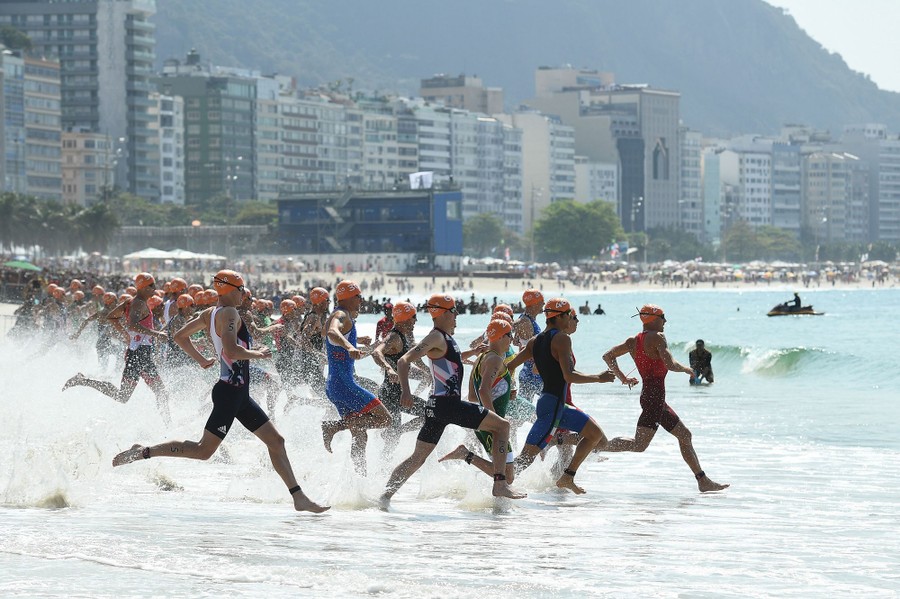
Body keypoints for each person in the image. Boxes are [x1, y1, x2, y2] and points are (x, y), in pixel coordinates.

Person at [110, 270, 329, 513]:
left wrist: (202, 360)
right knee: (203, 451)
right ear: (230, 289)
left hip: (240, 395)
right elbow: (231, 350)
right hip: (230, 393)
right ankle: (142, 452)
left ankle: (299, 498)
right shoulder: (229, 312)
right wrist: (256, 354)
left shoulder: (210, 313)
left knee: (276, 441)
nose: (244, 294)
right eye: (242, 289)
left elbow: (180, 336)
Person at [380, 294, 526, 507]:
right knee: (502, 426)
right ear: (444, 313)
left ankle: (383, 497)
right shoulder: (436, 337)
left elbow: (447, 358)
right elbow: (403, 361)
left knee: (417, 459)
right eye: (454, 311)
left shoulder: (444, 339)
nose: (457, 315)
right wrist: (406, 391)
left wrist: (474, 351)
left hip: (436, 406)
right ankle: (500, 483)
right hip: (448, 404)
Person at [601, 304, 729, 492]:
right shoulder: (658, 337)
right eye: (663, 317)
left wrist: (623, 378)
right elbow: (670, 364)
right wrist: (686, 369)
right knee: (639, 445)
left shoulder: (632, 341)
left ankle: (703, 481)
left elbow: (608, 356)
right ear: (653, 319)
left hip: (653, 398)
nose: (665, 321)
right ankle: (595, 447)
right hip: (654, 398)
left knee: (685, 435)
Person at [507, 299, 614, 494]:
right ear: (561, 316)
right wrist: (600, 378)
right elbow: (569, 376)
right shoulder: (562, 339)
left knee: (594, 434)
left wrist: (505, 385)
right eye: (570, 316)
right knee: (524, 460)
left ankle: (567, 477)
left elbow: (510, 366)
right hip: (553, 407)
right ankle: (490, 478)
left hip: (552, 404)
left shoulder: (535, 341)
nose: (572, 320)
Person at [63, 273, 172, 425]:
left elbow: (111, 317)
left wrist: (126, 335)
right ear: (144, 287)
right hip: (140, 354)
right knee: (160, 392)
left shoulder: (130, 301)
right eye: (152, 285)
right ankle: (168, 426)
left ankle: (82, 380)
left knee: (123, 396)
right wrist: (156, 334)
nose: (155, 288)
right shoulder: (139, 303)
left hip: (136, 353)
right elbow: (132, 324)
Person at [320, 280, 393, 476]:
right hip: (345, 385)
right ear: (350, 298)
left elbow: (326, 334)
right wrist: (350, 346)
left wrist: (355, 340)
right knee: (385, 419)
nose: (361, 301)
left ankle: (360, 480)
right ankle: (333, 427)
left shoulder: (336, 315)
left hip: (334, 385)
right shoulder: (341, 315)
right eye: (359, 297)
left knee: (360, 436)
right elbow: (332, 332)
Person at [438, 318, 518, 483]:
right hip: (492, 425)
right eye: (510, 335)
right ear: (501, 337)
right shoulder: (495, 359)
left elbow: (473, 395)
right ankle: (465, 455)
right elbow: (483, 390)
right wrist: (495, 419)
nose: (512, 339)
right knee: (507, 477)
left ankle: (497, 506)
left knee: (503, 473)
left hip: (485, 423)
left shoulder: (482, 357)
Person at [371, 300, 428, 457]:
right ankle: (381, 470)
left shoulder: (406, 335)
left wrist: (427, 370)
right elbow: (376, 352)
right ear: (404, 318)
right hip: (390, 393)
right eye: (413, 317)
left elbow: (413, 356)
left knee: (429, 414)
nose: (416, 320)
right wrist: (389, 369)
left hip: (399, 393)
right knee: (392, 442)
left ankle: (397, 431)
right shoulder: (394, 337)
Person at [513, 289, 545, 404]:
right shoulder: (525, 321)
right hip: (533, 374)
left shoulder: (527, 320)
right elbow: (513, 327)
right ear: (535, 303)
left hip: (530, 373)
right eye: (542, 301)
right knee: (555, 407)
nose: (544, 304)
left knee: (523, 414)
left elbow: (516, 341)